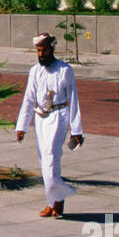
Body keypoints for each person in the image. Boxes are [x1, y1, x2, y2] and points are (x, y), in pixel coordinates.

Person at [15, 33, 84, 217]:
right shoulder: (35, 71)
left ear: (52, 48)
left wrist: (76, 130)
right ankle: (54, 202)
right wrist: (21, 126)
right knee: (44, 160)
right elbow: (28, 99)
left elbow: (73, 100)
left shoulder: (65, 70)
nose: (41, 54)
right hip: (41, 118)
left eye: (44, 50)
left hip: (59, 116)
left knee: (51, 156)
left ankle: (59, 198)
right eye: (38, 51)